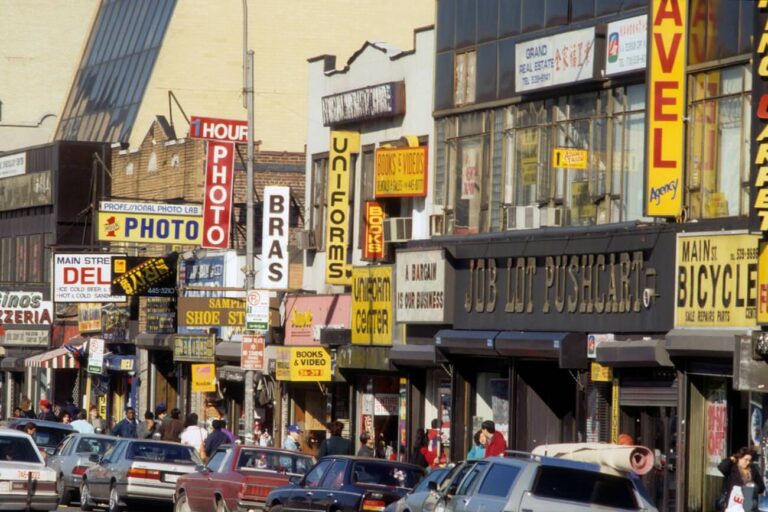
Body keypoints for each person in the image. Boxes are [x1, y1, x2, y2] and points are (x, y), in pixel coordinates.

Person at [718, 447, 765, 511]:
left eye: (749, 460)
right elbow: (721, 467)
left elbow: (761, 487)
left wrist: (753, 488)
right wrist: (731, 459)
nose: (748, 462)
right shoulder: (732, 468)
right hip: (731, 504)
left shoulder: (753, 470)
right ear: (740, 458)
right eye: (746, 459)